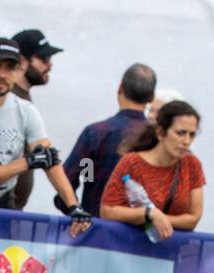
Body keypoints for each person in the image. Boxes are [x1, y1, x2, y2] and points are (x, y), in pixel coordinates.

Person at [0, 37, 90, 235]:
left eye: (10, 67)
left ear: (18, 71)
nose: (2, 74)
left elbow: (49, 161)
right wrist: (27, 163)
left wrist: (74, 206)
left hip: (3, 202)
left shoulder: (26, 112)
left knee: (3, 264)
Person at [100, 100, 205, 240]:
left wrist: (161, 219)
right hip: (127, 248)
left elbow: (193, 218)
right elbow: (107, 211)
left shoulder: (192, 164)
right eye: (181, 133)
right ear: (161, 133)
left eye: (192, 135)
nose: (186, 141)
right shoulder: (132, 163)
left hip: (170, 251)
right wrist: (148, 214)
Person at [61, 63, 154, 216]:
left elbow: (71, 180)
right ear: (152, 97)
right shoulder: (159, 138)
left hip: (97, 230)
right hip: (143, 232)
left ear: (120, 88)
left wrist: (79, 211)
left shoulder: (96, 134)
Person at [8, 28, 61, 209]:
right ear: (22, 61)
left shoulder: (21, 98)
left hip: (7, 213)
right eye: (44, 59)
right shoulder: (8, 100)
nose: (50, 65)